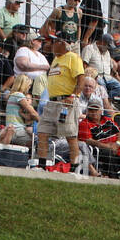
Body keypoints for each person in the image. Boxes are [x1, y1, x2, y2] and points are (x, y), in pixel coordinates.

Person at [35, 34, 86, 170]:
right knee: (42, 132)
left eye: (54, 42)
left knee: (70, 136)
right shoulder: (56, 59)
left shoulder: (73, 58)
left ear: (62, 43)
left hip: (66, 102)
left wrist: (74, 95)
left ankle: (75, 168)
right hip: (52, 102)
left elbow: (81, 79)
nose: (51, 45)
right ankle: (41, 165)